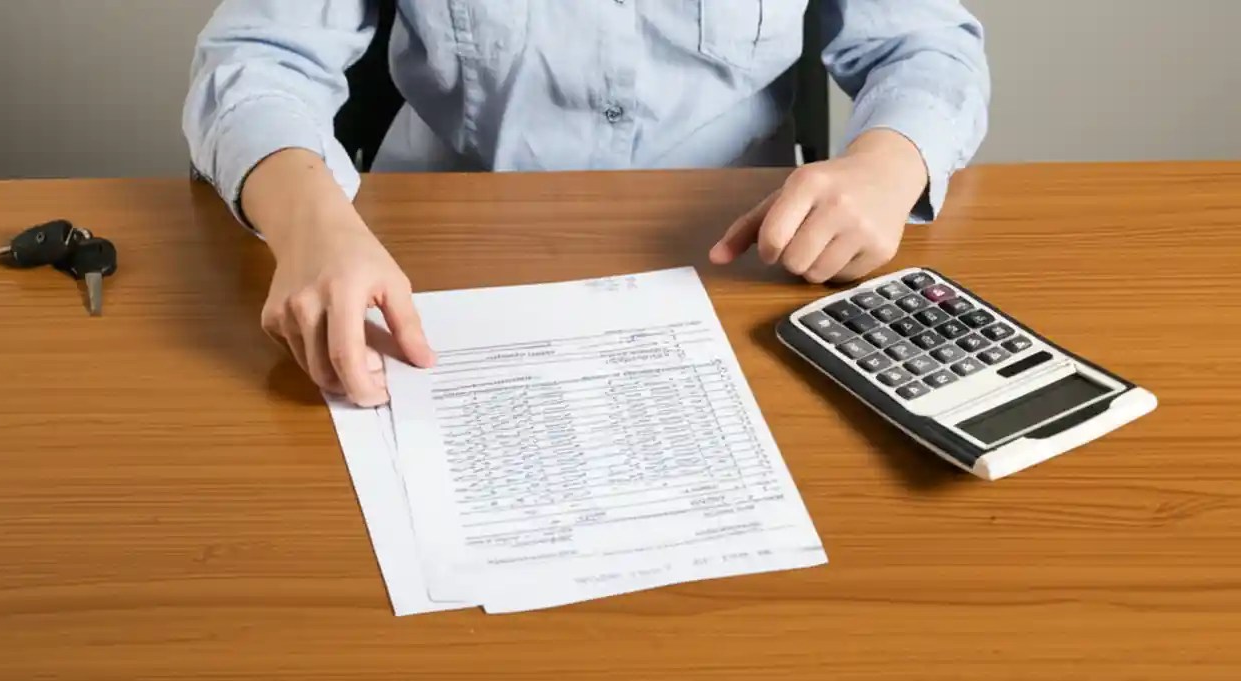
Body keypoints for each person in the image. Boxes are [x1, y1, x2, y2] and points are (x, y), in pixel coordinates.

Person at [184, 1, 990, 407]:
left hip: (740, 278)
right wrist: (308, 220)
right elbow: (257, 59)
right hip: (422, 284)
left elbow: (926, 44)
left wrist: (890, 162)